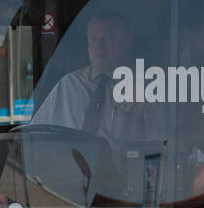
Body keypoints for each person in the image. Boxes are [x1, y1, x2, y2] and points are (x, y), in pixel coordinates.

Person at [31, 12, 161, 146]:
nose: (98, 47)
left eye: (107, 39)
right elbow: (34, 138)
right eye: (93, 39)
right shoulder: (68, 86)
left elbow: (158, 149)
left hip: (122, 166)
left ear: (127, 42)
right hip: (70, 165)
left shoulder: (146, 91)